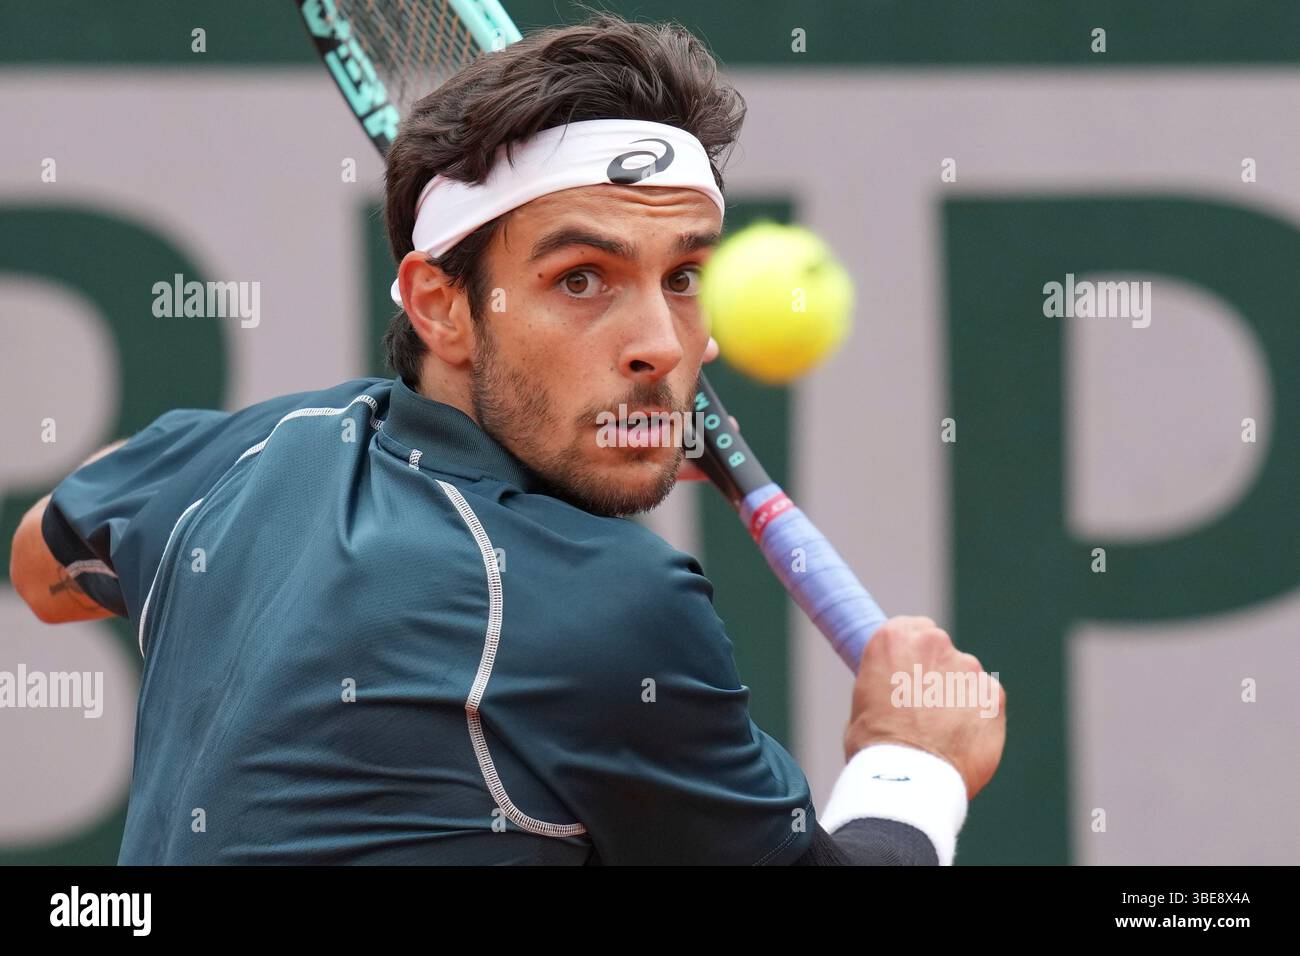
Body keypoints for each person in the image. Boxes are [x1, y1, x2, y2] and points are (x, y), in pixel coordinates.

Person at [9, 13, 1004, 864]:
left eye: (683, 275)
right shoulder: (609, 603)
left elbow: (41, 562)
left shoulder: (236, 457)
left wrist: (195, 531)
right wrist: (909, 758)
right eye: (582, 280)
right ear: (440, 305)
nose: (658, 345)